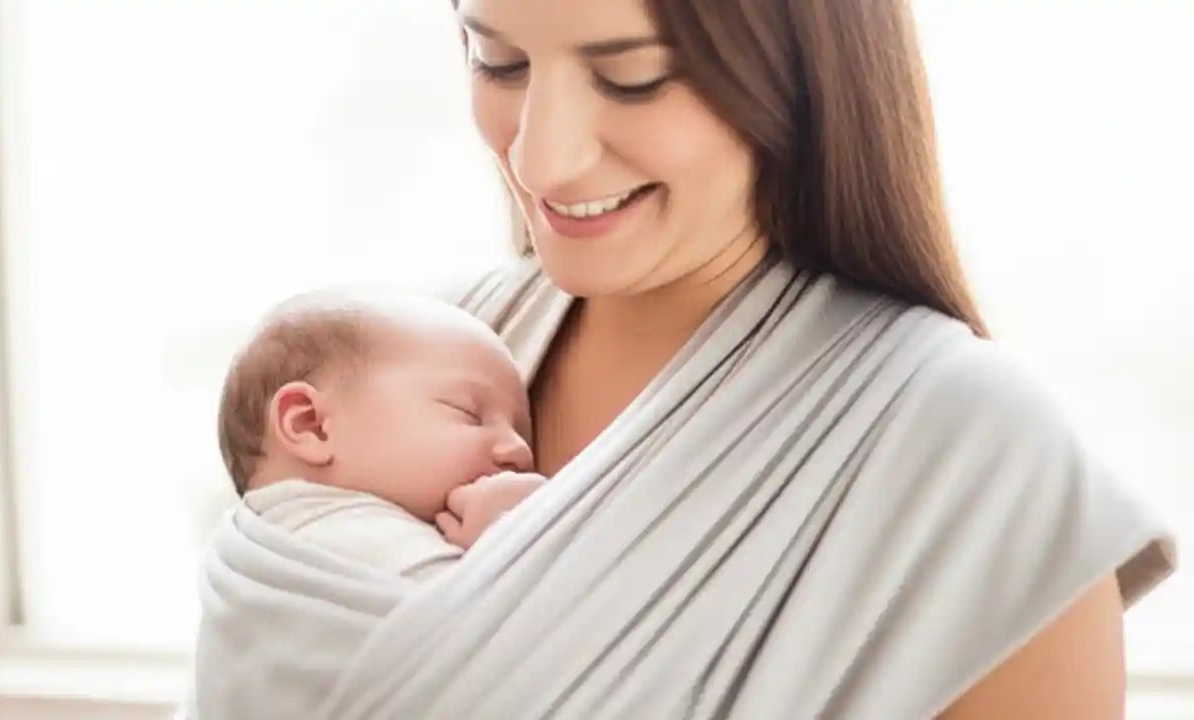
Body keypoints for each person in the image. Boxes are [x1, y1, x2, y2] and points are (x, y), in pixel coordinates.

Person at [192, 0, 1178, 717]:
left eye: (632, 76)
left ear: (795, 70)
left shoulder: (969, 457)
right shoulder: (418, 353)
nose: (541, 158)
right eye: (498, 61)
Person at [214, 289, 543, 579]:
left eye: (522, 431)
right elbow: (492, 634)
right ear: (311, 425)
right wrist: (510, 536)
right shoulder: (349, 541)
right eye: (468, 413)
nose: (521, 450)